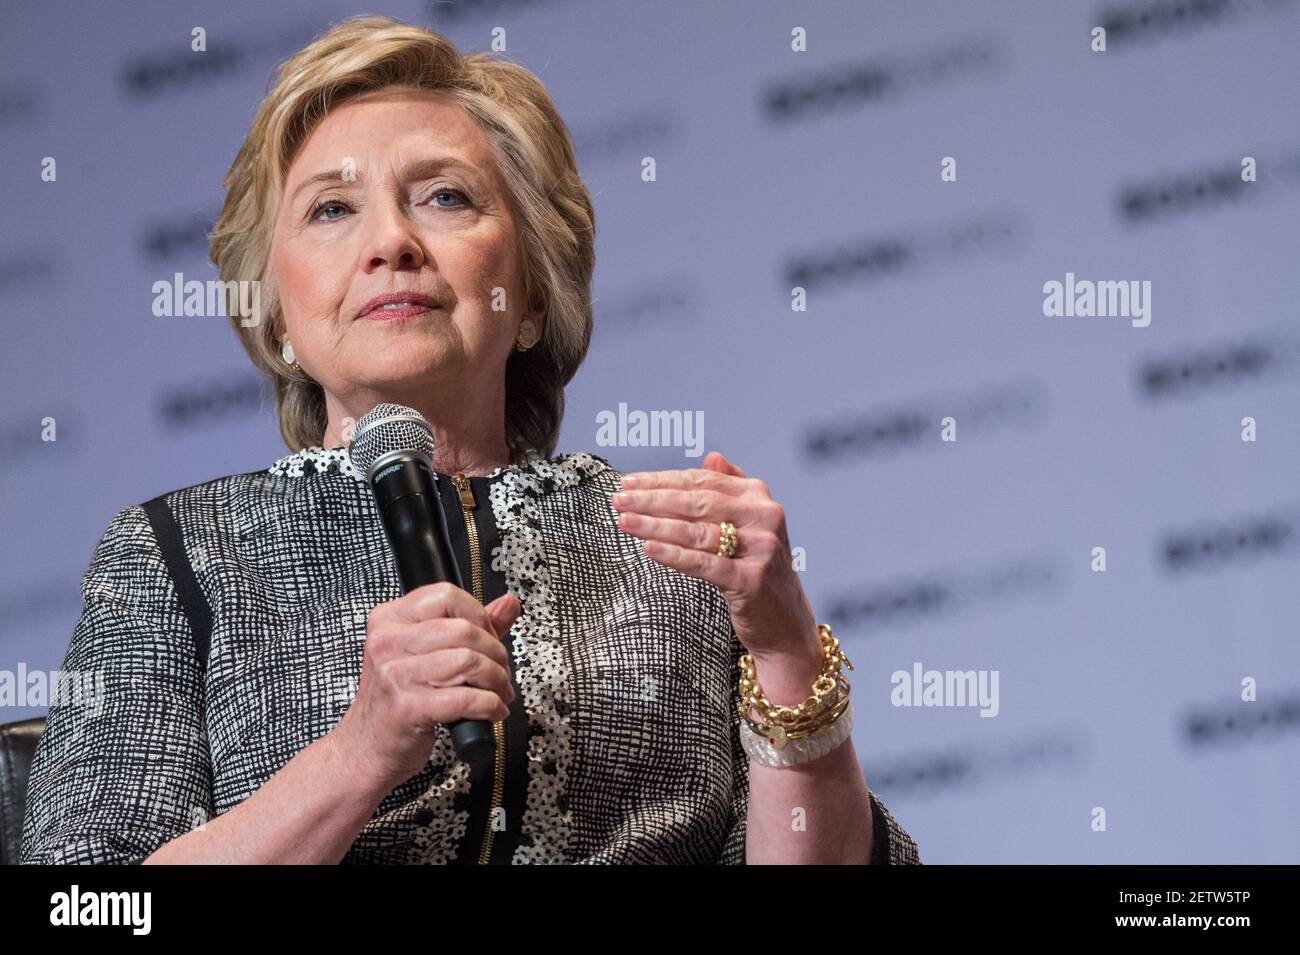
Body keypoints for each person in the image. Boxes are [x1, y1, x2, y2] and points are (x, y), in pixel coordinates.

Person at [20, 15, 920, 865]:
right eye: (331, 209)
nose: (391, 242)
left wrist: (787, 653)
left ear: (532, 293)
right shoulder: (180, 556)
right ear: (279, 315)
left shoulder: (672, 553)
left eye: (445, 197)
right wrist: (359, 752)